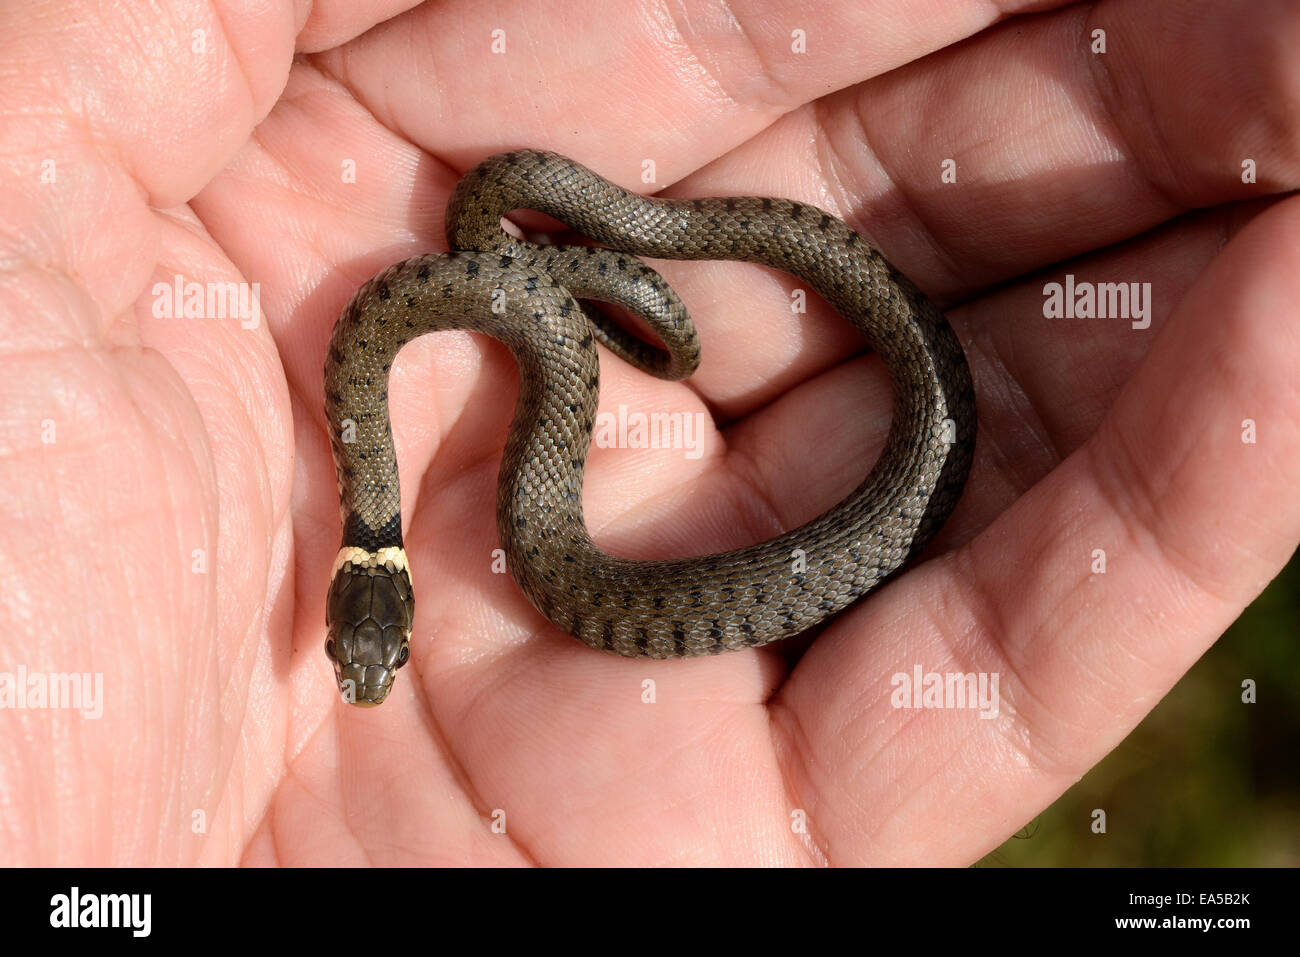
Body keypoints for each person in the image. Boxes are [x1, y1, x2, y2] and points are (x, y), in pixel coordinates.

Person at [1, 0, 1296, 866]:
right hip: (553, 297)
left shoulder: (382, 374)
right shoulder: (416, 413)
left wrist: (627, 306)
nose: (360, 666)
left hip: (563, 274)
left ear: (364, 572)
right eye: (368, 657)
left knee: (624, 330)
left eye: (365, 650)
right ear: (366, 576)